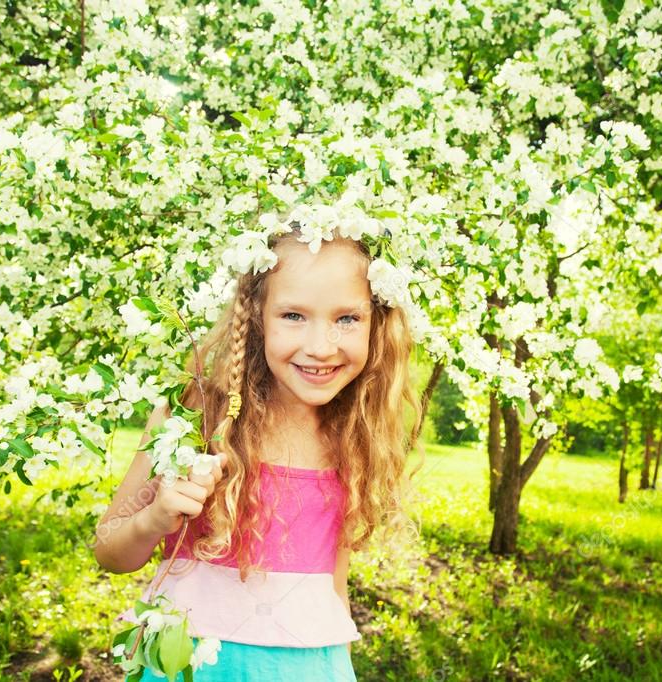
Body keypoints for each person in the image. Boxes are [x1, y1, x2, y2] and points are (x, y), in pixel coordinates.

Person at [93, 219, 422, 681]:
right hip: (192, 666)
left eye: (347, 318)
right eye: (293, 316)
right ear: (256, 319)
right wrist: (153, 518)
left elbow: (333, 591)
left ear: (376, 323)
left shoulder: (354, 436)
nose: (320, 347)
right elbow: (108, 550)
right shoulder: (194, 417)